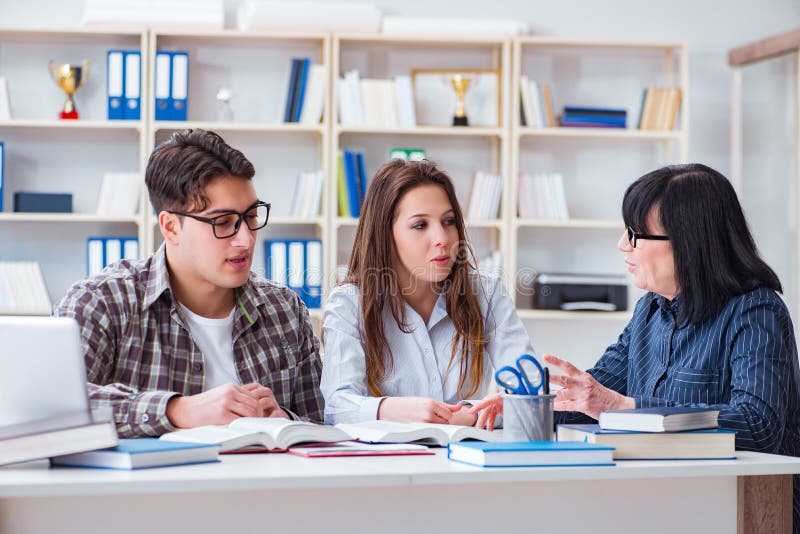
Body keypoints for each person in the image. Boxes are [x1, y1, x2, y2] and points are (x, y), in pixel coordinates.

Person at [471, 163, 800, 529]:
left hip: (742, 509)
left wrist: (625, 406)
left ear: (688, 242)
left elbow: (758, 424)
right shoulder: (650, 309)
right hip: (661, 502)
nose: (622, 245)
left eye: (634, 234)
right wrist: (526, 406)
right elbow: (593, 394)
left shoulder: (755, 311)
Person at [56, 129, 324, 438]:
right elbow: (50, 408)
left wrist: (285, 420)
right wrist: (178, 410)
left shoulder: (286, 312)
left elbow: (323, 426)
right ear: (171, 227)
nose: (246, 239)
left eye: (251, 217)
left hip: (259, 485)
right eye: (223, 222)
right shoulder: (102, 302)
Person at [320, 158, 533, 425]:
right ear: (385, 233)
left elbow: (531, 396)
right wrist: (392, 410)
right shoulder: (349, 303)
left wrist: (461, 416)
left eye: (449, 221)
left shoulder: (486, 293)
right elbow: (336, 407)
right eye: (420, 225)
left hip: (466, 457)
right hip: (383, 462)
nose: (442, 239)